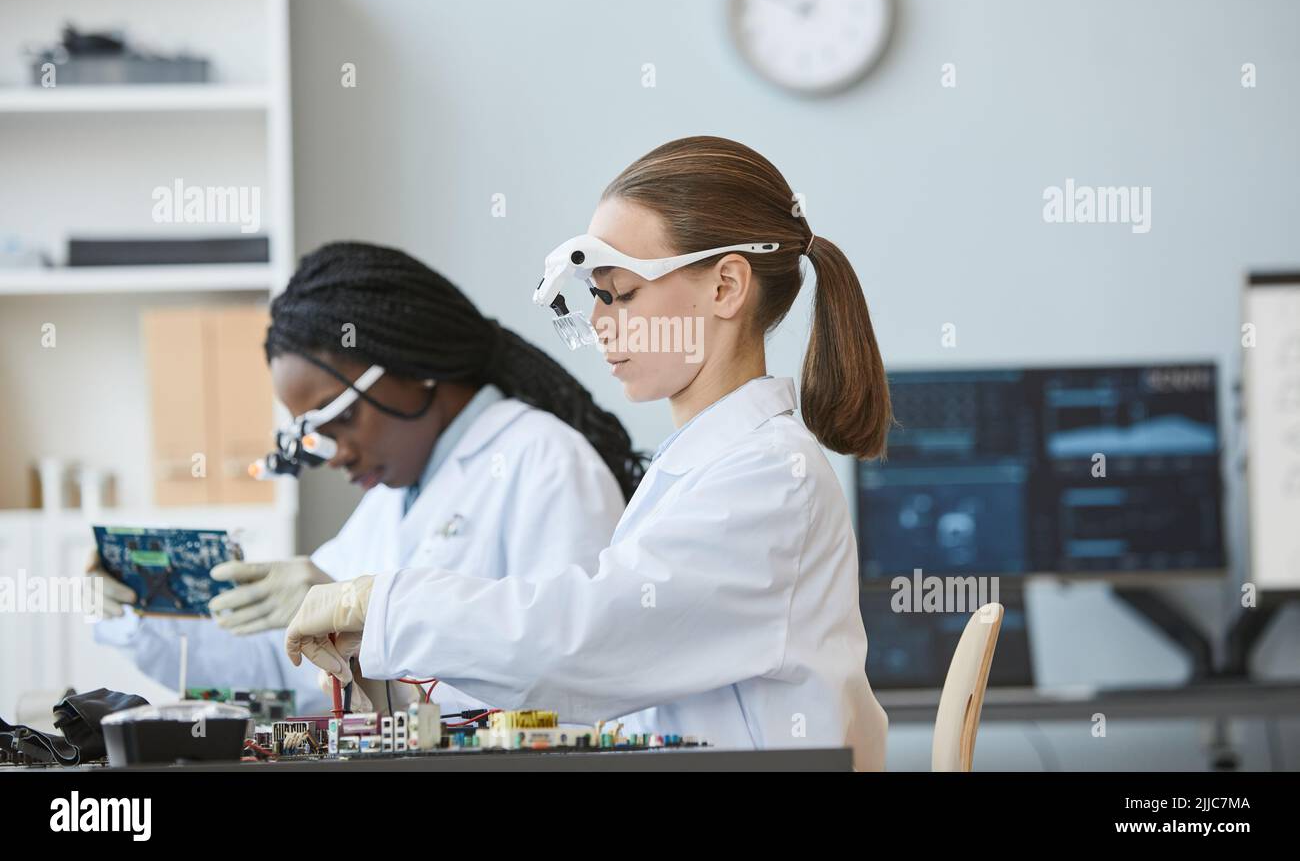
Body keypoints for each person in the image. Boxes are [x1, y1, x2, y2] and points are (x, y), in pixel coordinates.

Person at [285, 137, 894, 769]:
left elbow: (584, 641)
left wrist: (385, 605)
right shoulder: (705, 465)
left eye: (622, 292)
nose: (601, 323)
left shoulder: (769, 478)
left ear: (726, 287)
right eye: (595, 297)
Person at [90, 242, 641, 713]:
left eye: (344, 417)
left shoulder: (545, 461)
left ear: (416, 364)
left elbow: (573, 672)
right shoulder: (395, 494)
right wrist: (144, 609)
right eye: (315, 434)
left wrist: (370, 612)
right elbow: (285, 672)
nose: (335, 454)